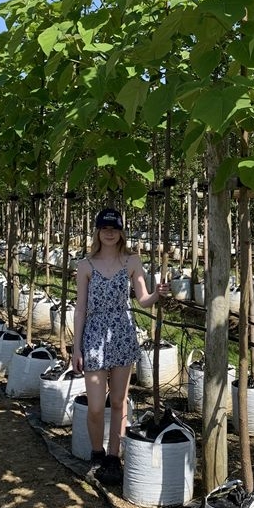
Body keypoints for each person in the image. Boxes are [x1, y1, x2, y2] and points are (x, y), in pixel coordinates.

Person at [72, 206, 169, 486]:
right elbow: (80, 309)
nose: (110, 233)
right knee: (94, 405)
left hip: (123, 334)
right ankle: (97, 453)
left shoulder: (132, 262)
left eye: (115, 228)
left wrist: (157, 294)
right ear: (98, 232)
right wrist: (76, 348)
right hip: (93, 336)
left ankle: (114, 458)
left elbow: (142, 299)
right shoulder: (85, 265)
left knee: (117, 401)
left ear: (122, 232)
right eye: (105, 228)